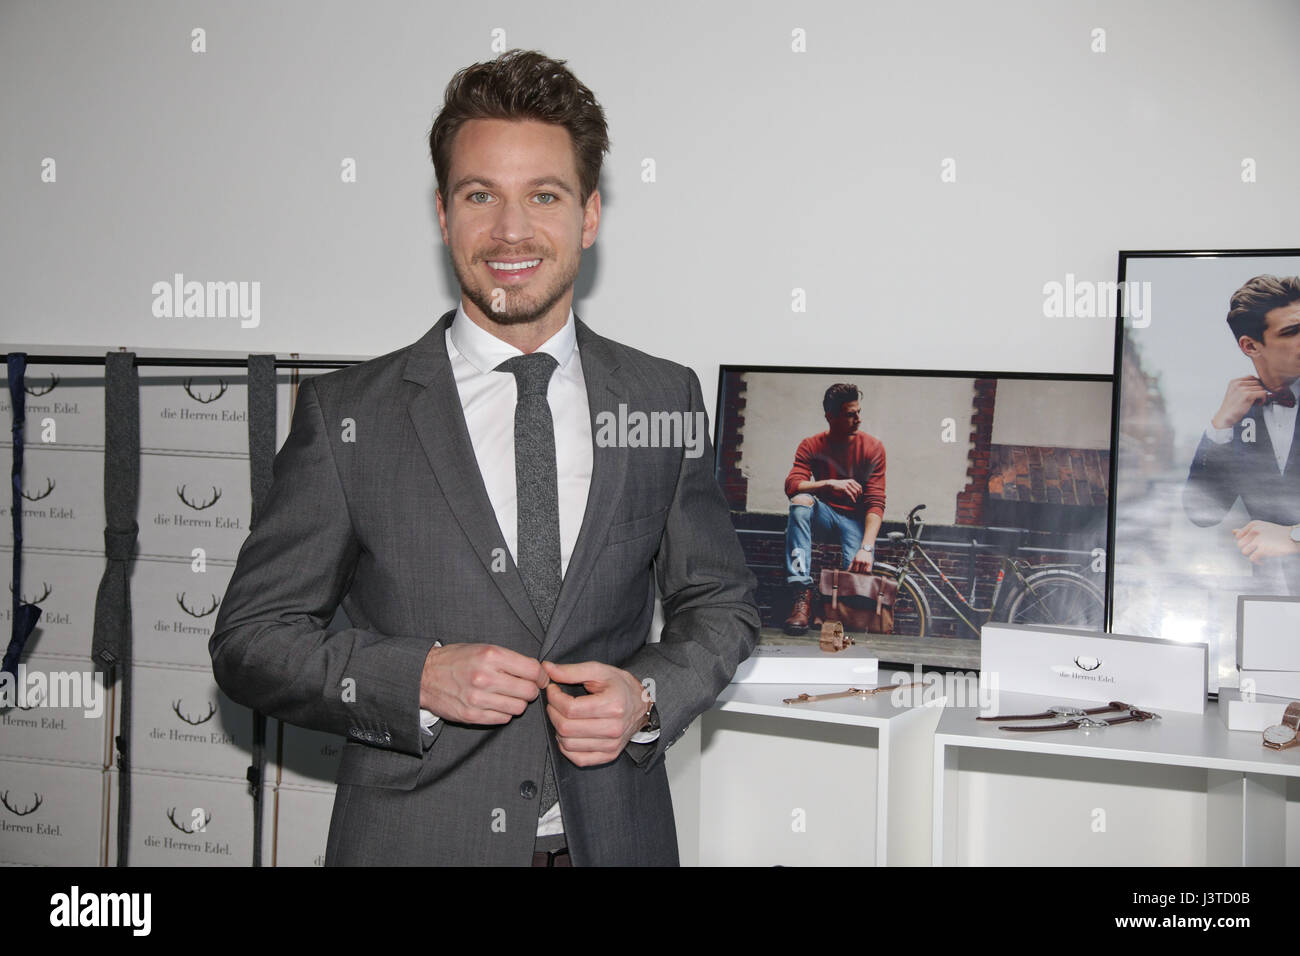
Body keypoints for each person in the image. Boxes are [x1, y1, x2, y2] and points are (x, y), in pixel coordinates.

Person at [209, 50, 759, 866]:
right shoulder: (349, 414)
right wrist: (415, 678)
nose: (511, 231)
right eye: (480, 196)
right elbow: (251, 640)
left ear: (591, 215)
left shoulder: (662, 398)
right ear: (442, 213)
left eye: (544, 195)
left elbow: (721, 604)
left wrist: (646, 695)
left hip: (613, 840)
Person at [1184, 274, 1300, 590]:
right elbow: (1202, 513)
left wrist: (1293, 536)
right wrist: (1220, 425)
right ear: (1250, 345)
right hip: (1270, 605)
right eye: (1292, 332)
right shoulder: (1241, 414)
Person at [781, 383, 886, 634]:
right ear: (831, 416)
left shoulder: (872, 448)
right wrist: (829, 484)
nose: (858, 419)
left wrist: (867, 548)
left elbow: (876, 502)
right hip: (825, 514)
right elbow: (792, 485)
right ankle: (801, 593)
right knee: (800, 502)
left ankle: (829, 616)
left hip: (856, 523)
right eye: (851, 414)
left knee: (856, 585)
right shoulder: (811, 445)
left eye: (859, 412)